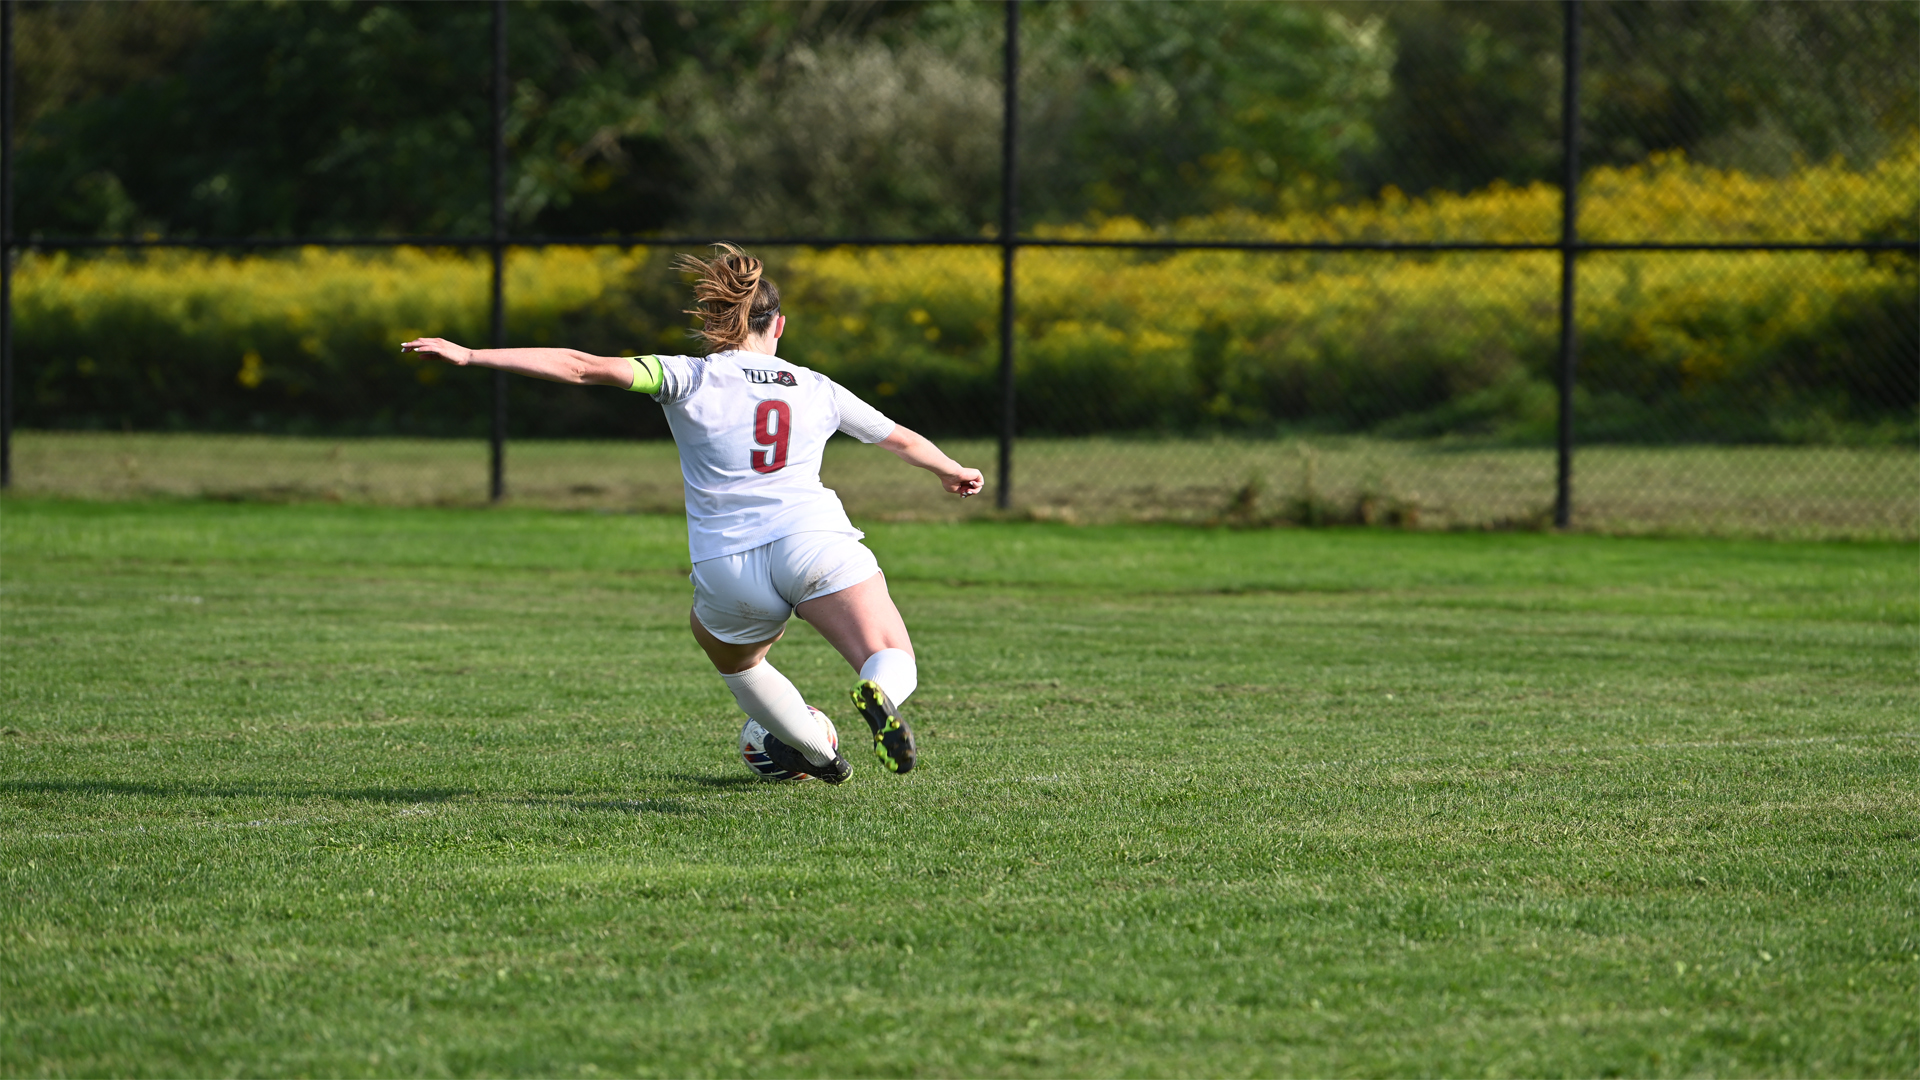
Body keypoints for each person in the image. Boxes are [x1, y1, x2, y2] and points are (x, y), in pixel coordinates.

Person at [401, 244, 983, 784]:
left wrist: (471, 353)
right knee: (889, 652)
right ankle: (876, 692)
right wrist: (949, 469)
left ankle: (820, 755)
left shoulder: (686, 374)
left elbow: (580, 365)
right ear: (778, 326)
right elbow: (899, 438)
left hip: (727, 562)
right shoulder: (817, 387)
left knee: (738, 659)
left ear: (716, 326)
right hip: (813, 539)